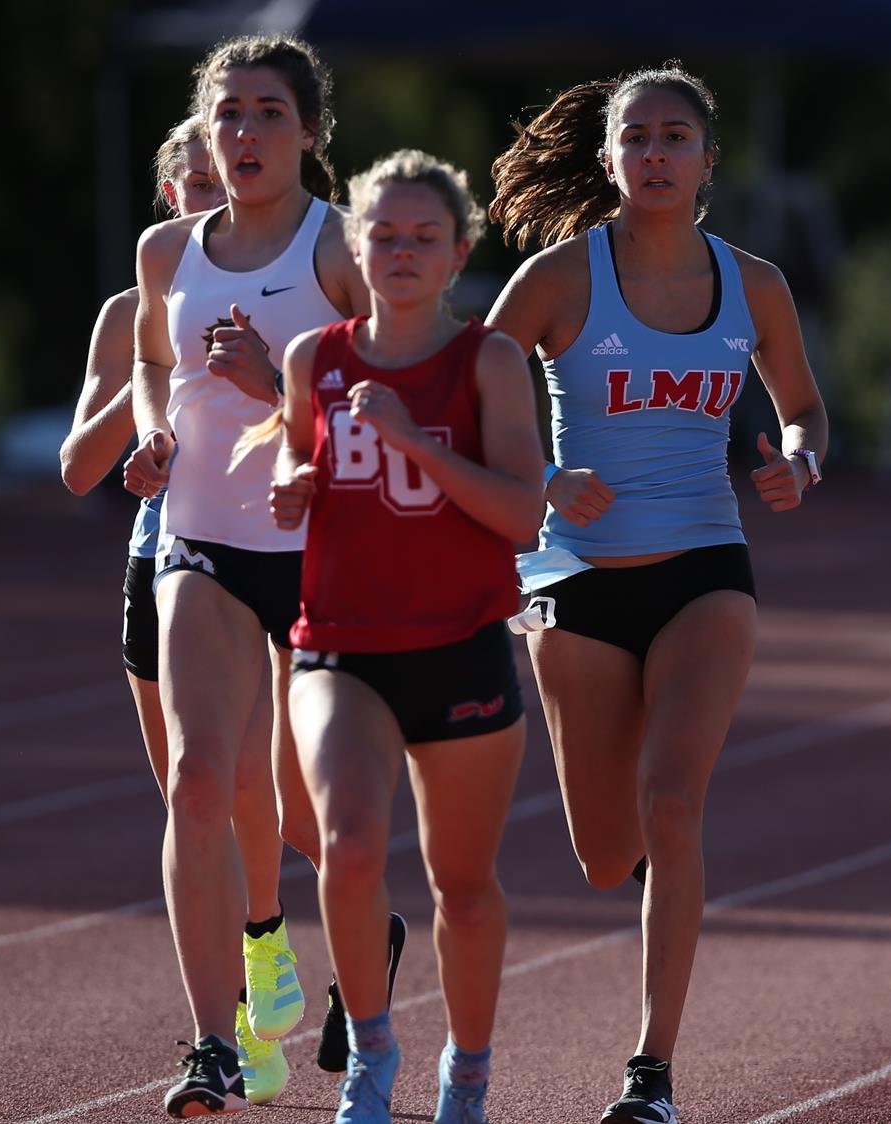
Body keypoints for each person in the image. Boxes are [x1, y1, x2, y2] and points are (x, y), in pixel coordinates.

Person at [484, 64, 829, 1124]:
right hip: (572, 583)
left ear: (706, 162)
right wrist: (539, 478)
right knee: (602, 856)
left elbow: (805, 406)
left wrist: (799, 461)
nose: (654, 155)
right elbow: (474, 386)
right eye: (635, 138)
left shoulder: (753, 284)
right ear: (606, 160)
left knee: (672, 805)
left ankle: (651, 1072)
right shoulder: (556, 279)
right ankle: (646, 886)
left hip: (703, 572)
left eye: (674, 137)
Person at [122, 34, 390, 1116]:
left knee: (325, 819)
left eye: (268, 113)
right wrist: (149, 432)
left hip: (324, 548)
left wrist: (275, 389)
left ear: (310, 132)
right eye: (227, 113)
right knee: (197, 778)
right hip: (199, 543)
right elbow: (152, 358)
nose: (243, 133)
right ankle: (209, 1041)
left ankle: (367, 1009)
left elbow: (393, 401)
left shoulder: (339, 251)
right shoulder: (164, 252)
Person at [262, 148, 542, 1124]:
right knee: (344, 845)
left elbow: (522, 514)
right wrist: (292, 484)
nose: (401, 252)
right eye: (382, 235)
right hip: (339, 643)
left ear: (458, 252)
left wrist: (417, 440)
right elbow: (298, 474)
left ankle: (465, 1071)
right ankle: (370, 1055)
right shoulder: (314, 359)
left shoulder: (488, 361)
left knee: (460, 887)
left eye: (424, 237)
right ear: (354, 245)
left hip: (459, 643)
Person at [60, 114, 218, 797]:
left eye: (231, 182)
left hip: (273, 555)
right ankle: (256, 913)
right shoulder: (126, 312)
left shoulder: (302, 290)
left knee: (285, 801)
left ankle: (340, 905)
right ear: (170, 191)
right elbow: (78, 471)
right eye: (198, 182)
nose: (214, 201)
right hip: (161, 559)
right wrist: (153, 367)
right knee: (188, 793)